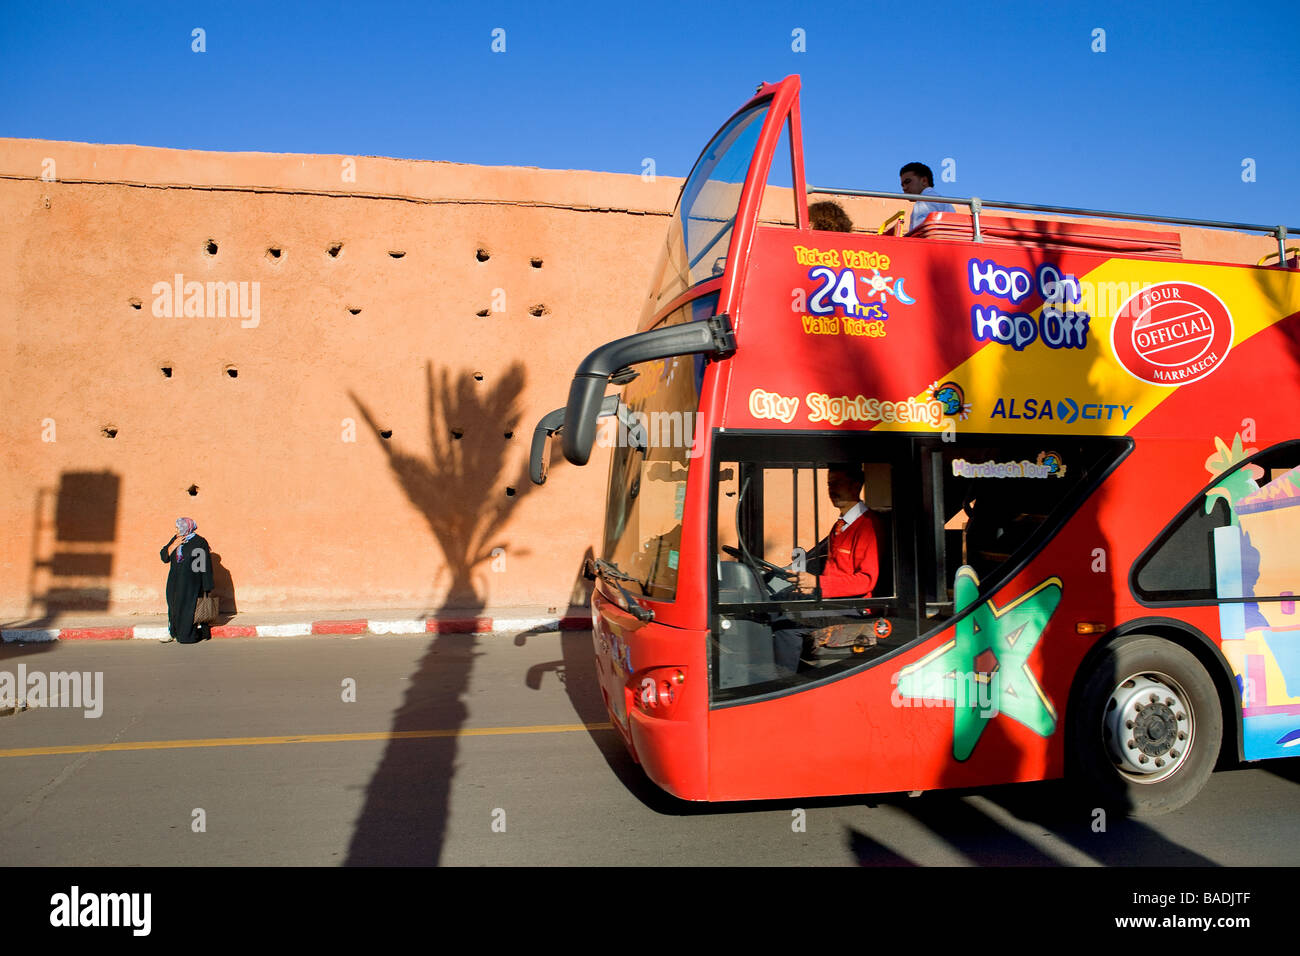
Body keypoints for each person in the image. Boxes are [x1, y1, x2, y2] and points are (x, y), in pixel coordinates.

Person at [794, 465, 882, 598]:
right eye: (830, 484)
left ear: (856, 486)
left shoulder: (868, 526)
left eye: (838, 483)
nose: (832, 490)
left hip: (854, 607)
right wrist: (810, 586)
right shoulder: (839, 525)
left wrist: (817, 582)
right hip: (831, 600)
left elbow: (866, 581)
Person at [160, 517, 215, 644]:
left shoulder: (199, 542)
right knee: (173, 606)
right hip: (174, 581)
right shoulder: (176, 539)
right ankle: (172, 632)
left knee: (188, 608)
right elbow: (164, 557)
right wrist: (173, 545)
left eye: (178, 527)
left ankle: (188, 634)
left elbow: (203, 565)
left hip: (191, 583)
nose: (176, 529)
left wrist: (206, 585)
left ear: (187, 527)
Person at [899, 161, 954, 233]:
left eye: (907, 182)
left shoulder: (923, 201)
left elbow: (920, 234)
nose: (904, 188)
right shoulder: (945, 202)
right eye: (902, 185)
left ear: (924, 181)